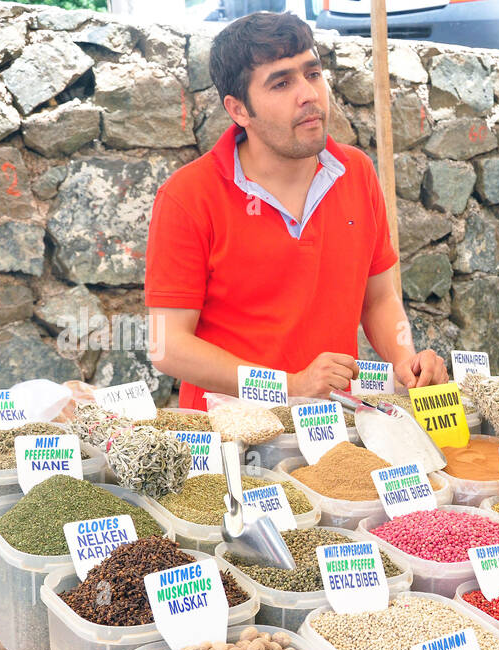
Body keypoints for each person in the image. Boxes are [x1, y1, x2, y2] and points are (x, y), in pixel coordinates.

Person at [144, 12, 446, 409]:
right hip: (233, 439)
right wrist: (289, 385)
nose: (309, 94)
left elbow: (378, 299)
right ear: (239, 110)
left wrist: (407, 360)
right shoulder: (188, 196)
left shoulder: (356, 173)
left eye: (312, 73)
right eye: (282, 82)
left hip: (333, 429)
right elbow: (167, 346)